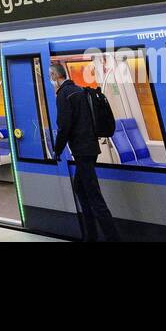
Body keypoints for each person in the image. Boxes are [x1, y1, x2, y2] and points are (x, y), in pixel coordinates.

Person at [52, 62, 121, 241]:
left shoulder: (63, 95)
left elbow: (64, 126)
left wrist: (57, 149)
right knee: (80, 189)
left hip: (82, 150)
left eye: (50, 77)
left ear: (55, 76)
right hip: (91, 148)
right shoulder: (80, 90)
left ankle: (112, 237)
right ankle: (90, 234)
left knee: (93, 195)